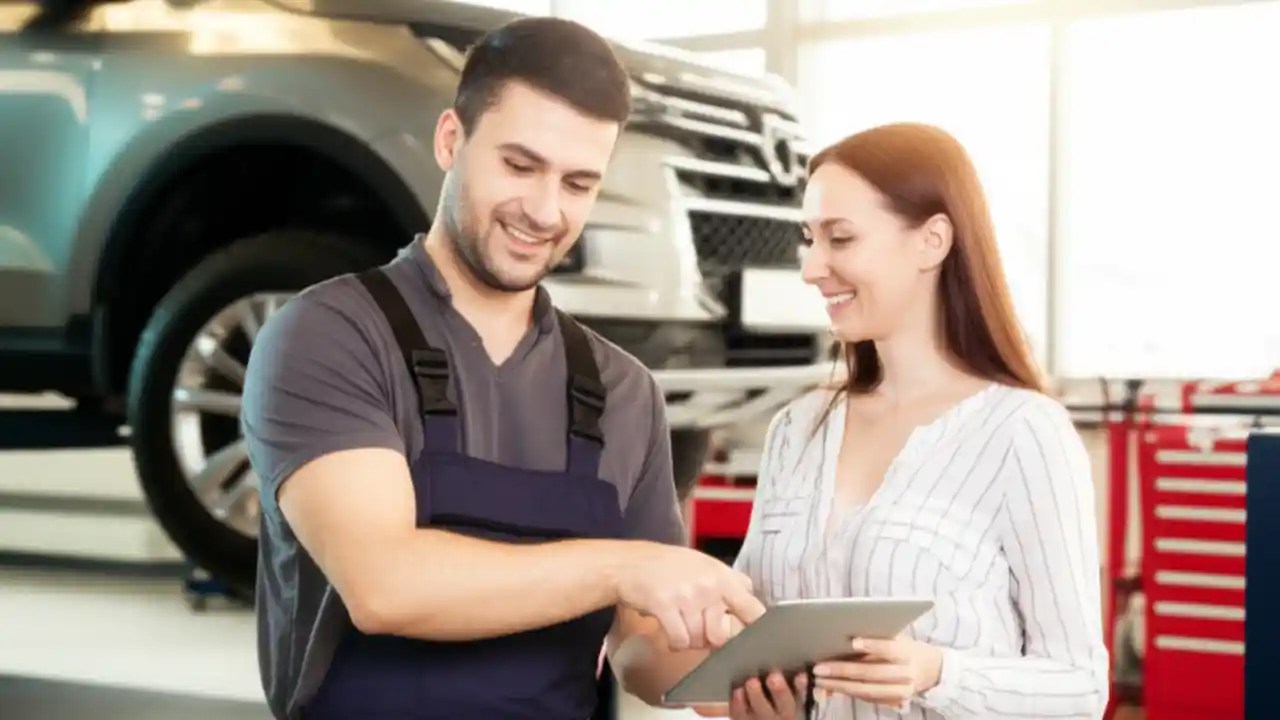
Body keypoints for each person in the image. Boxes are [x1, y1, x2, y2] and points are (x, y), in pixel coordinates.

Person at [240, 17, 764, 720]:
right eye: (520, 166)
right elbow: (384, 586)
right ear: (451, 139)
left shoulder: (623, 391)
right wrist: (626, 566)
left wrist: (729, 671)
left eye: (579, 183)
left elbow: (641, 649)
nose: (546, 211)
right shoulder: (330, 336)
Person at [721, 123, 1110, 719]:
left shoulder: (1023, 433)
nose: (811, 267)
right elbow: (751, 640)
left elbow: (1080, 689)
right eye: (809, 239)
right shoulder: (796, 430)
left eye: (841, 238)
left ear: (932, 241)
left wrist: (936, 672)